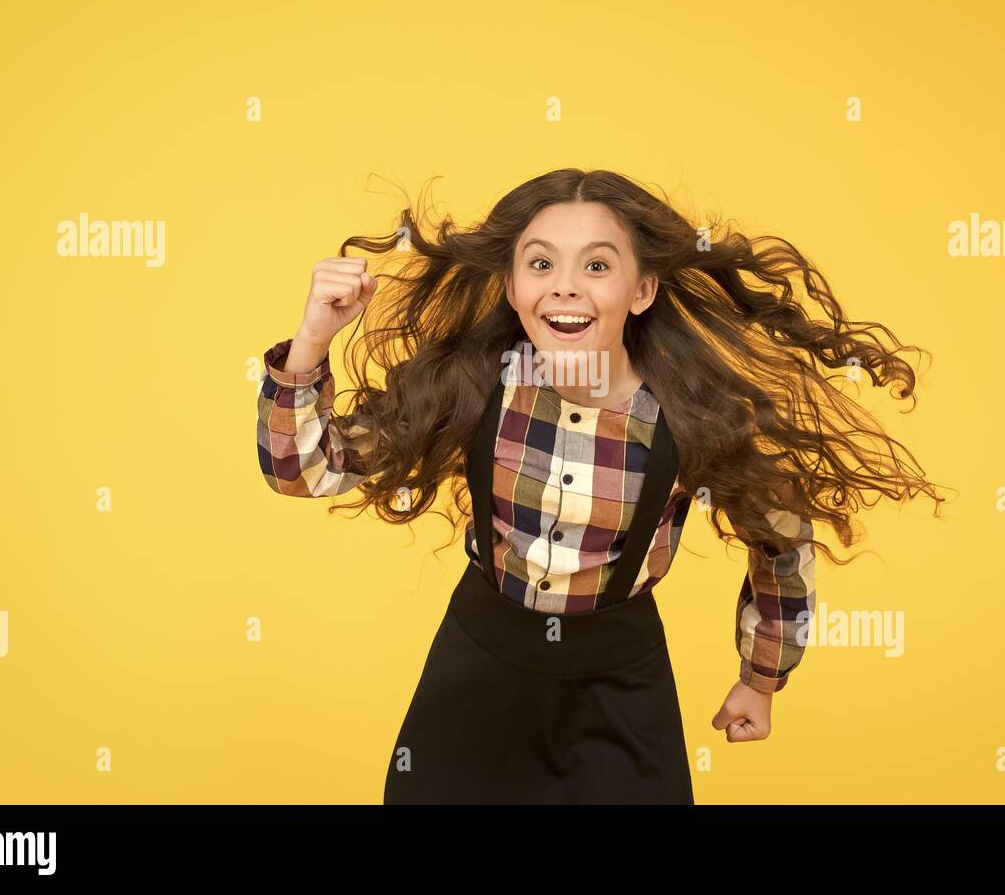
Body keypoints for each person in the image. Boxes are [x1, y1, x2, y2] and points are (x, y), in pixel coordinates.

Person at [256, 168, 944, 804]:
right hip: (478, 673)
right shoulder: (472, 389)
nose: (565, 285)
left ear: (641, 289)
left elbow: (782, 540)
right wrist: (311, 343)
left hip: (620, 688)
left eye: (596, 265)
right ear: (511, 286)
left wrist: (760, 677)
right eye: (540, 263)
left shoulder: (690, 419)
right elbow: (301, 471)